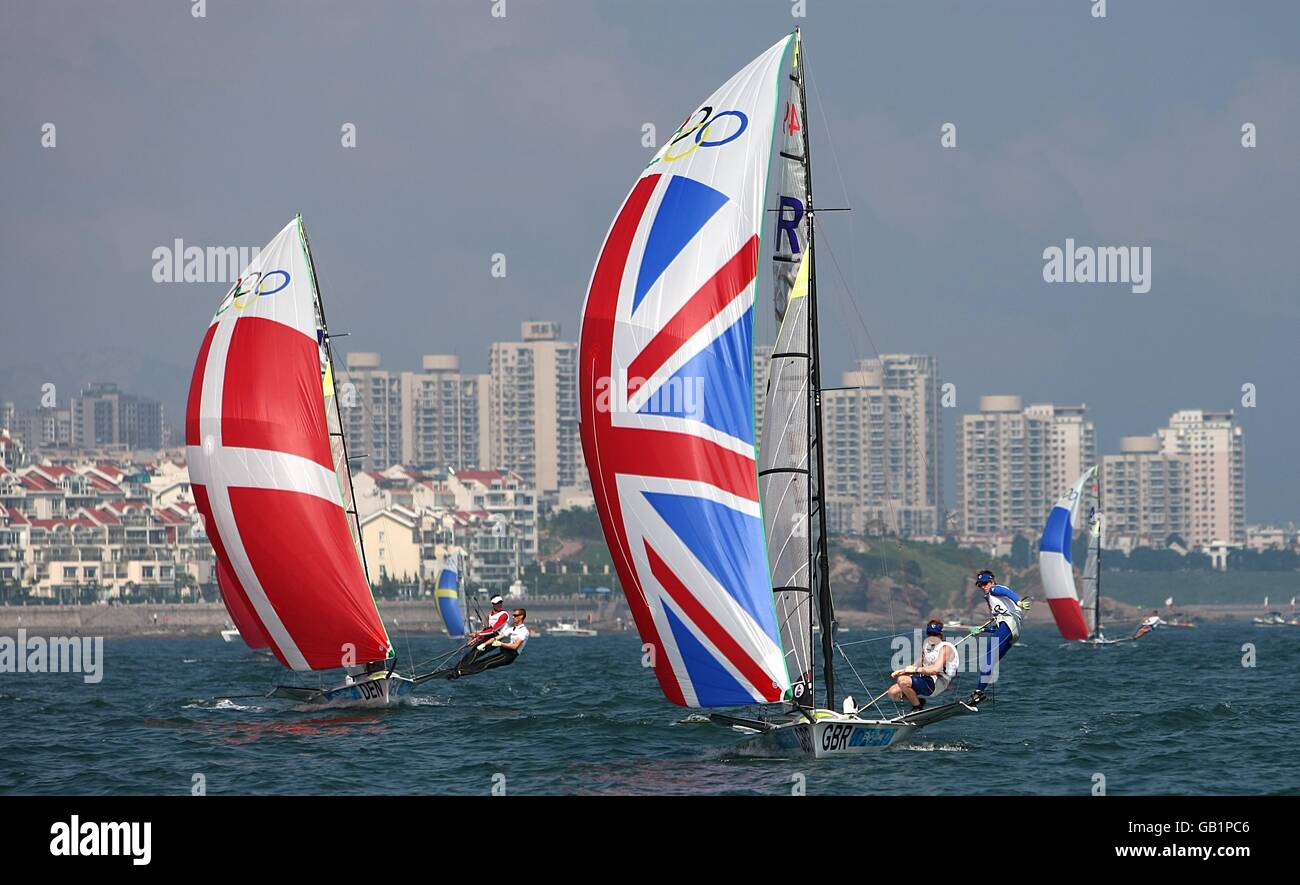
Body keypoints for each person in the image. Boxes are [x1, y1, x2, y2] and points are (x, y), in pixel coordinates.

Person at [969, 569, 1030, 702]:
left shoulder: (994, 590)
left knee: (989, 655)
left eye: (985, 583)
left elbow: (1007, 592)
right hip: (1010, 631)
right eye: (980, 585)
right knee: (989, 662)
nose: (983, 587)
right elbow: (998, 628)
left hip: (1010, 623)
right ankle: (979, 693)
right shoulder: (991, 600)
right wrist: (982, 630)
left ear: (992, 581)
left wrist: (1018, 602)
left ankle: (978, 692)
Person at [888, 619, 959, 711]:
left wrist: (915, 670)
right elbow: (918, 662)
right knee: (893, 693)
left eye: (935, 634)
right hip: (925, 680)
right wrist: (904, 671)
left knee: (902, 681)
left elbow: (935, 670)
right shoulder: (926, 646)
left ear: (941, 635)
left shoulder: (945, 648)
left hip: (938, 683)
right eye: (930, 634)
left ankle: (917, 707)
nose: (932, 637)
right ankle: (919, 701)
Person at [451, 608, 529, 678]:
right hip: (504, 652)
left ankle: (460, 672)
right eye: (513, 615)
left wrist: (500, 644)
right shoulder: (512, 629)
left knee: (486, 664)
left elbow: (515, 646)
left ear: (521, 616)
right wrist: (483, 644)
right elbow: (495, 638)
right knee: (482, 661)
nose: (513, 617)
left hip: (509, 656)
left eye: (515, 615)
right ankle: (460, 668)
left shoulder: (523, 631)